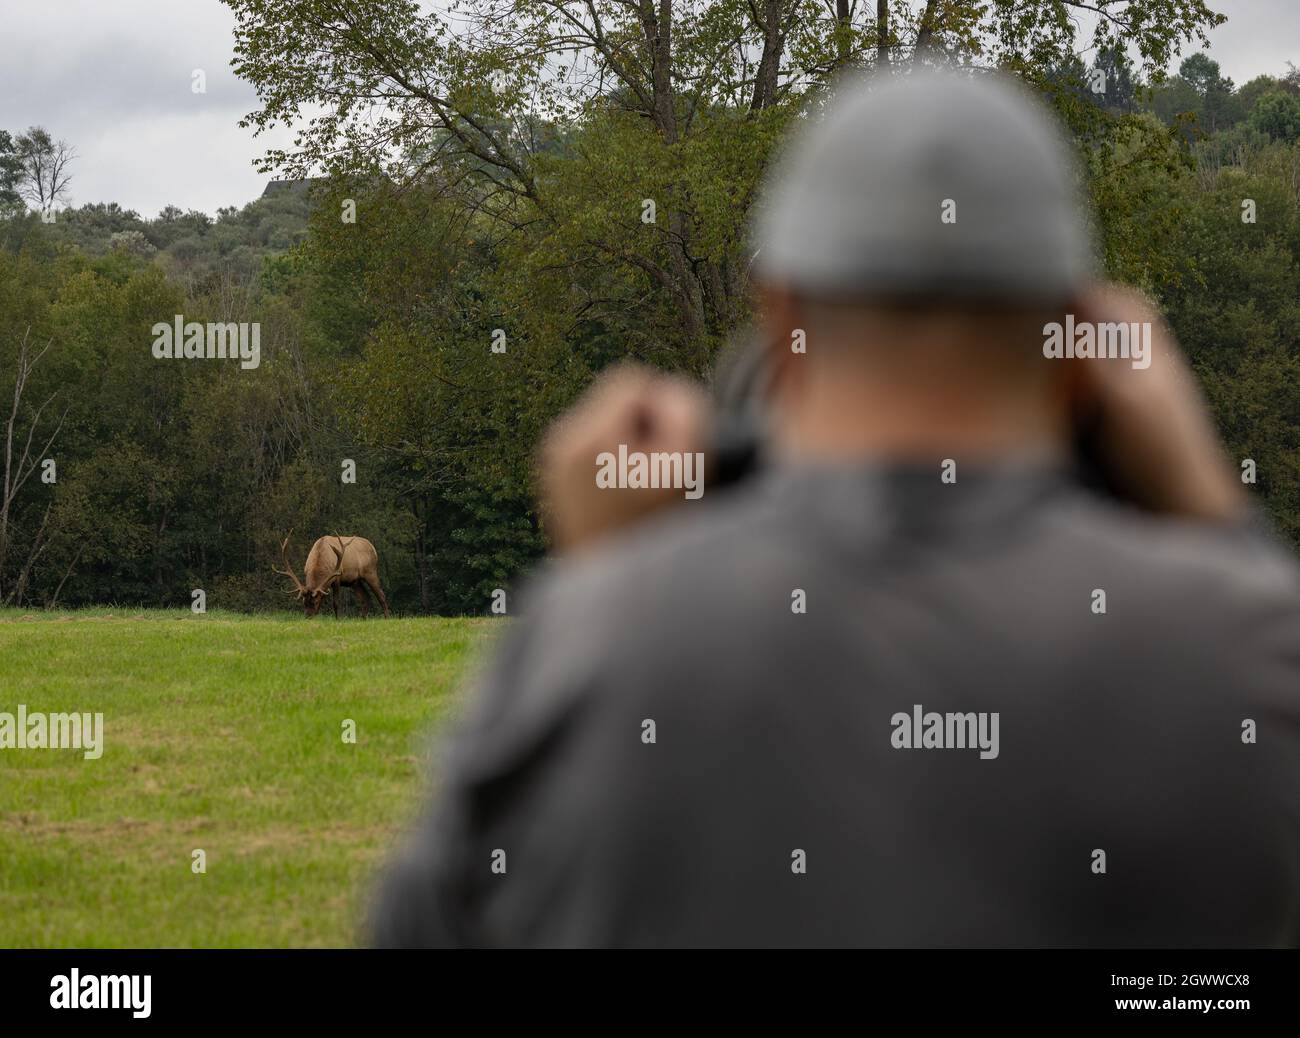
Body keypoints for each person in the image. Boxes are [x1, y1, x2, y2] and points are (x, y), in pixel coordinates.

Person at [371, 68, 1300, 947]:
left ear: (779, 314)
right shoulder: (1238, 646)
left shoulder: (589, 638)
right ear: (1079, 337)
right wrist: (1211, 509)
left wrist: (605, 590)